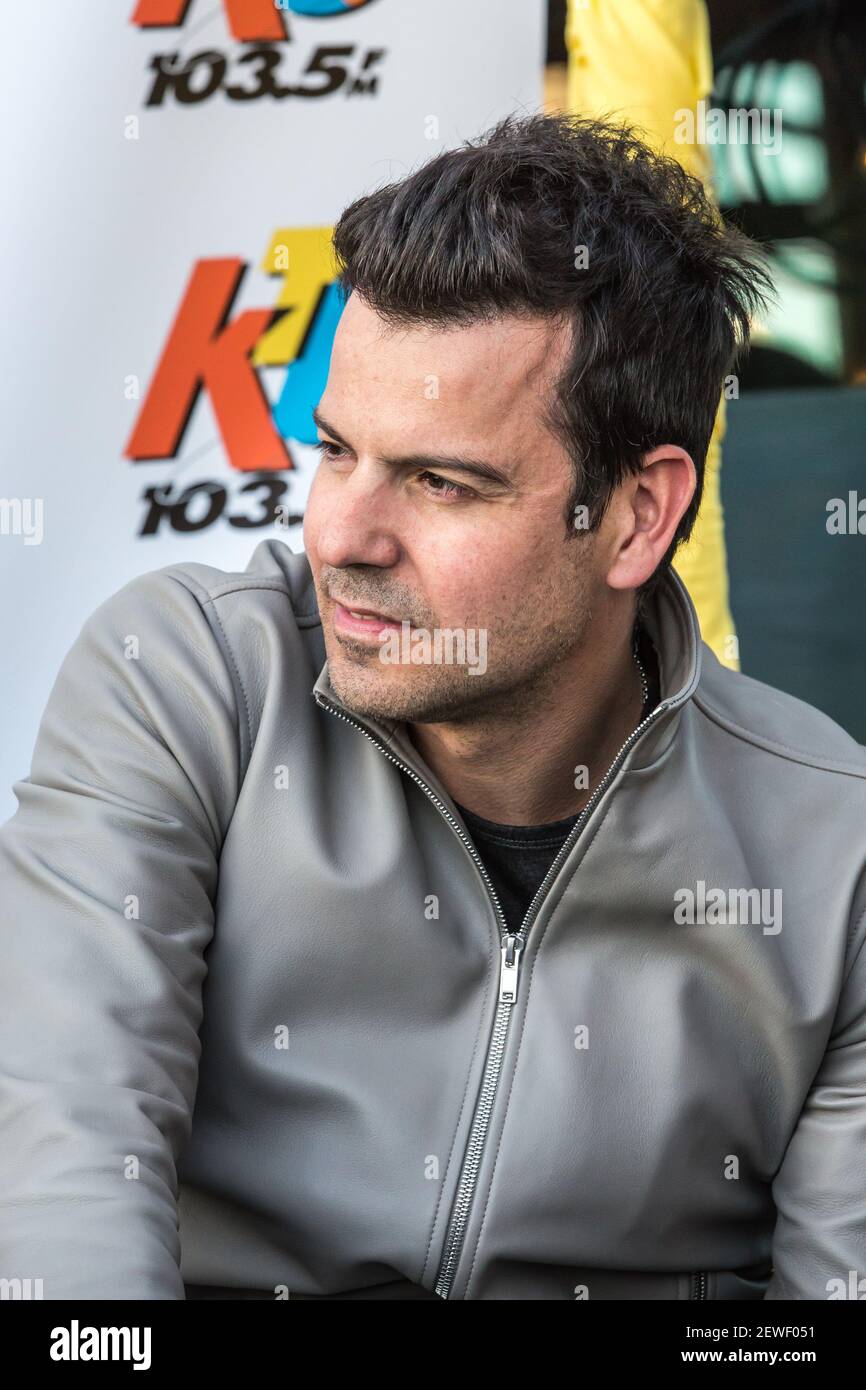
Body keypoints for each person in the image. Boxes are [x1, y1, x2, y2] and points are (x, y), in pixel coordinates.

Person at [1, 112, 864, 1302]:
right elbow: (66, 1178)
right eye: (335, 449)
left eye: (440, 482)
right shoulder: (182, 680)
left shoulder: (834, 858)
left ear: (636, 516)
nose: (343, 537)